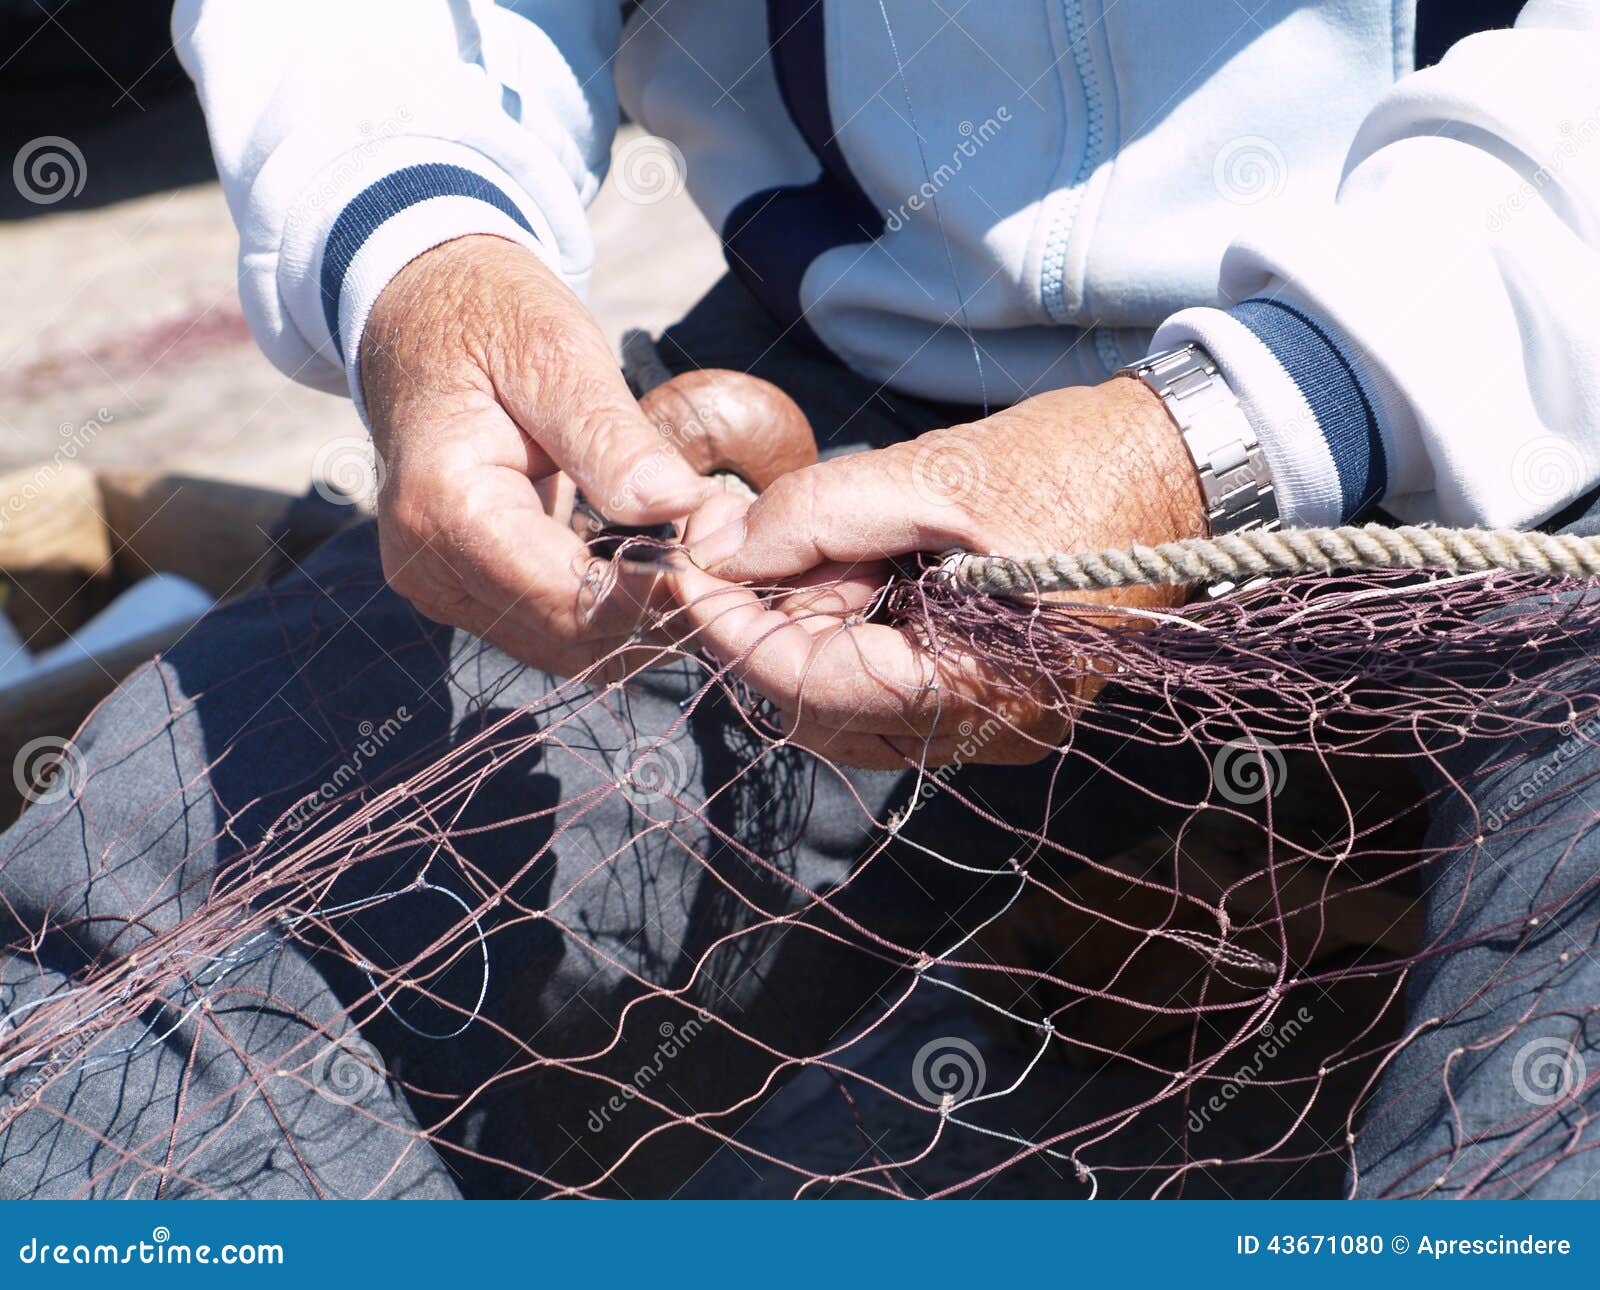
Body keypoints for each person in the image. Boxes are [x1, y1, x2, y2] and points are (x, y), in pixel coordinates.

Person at [2, 0, 1597, 1198]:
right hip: (856, 418)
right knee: (121, 1014)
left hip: (1543, 413)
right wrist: (419, 245)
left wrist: (1253, 420)